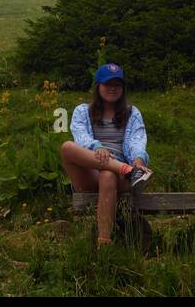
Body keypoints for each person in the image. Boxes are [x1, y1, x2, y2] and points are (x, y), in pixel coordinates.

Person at [60, 63, 153, 246]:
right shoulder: (82, 111)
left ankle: (104, 242)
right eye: (108, 84)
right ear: (98, 86)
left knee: (108, 174)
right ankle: (128, 170)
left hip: (118, 179)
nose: (113, 88)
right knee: (66, 147)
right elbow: (80, 136)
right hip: (90, 172)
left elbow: (137, 139)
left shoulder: (131, 113)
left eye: (117, 84)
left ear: (123, 88)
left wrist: (138, 161)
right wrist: (97, 147)